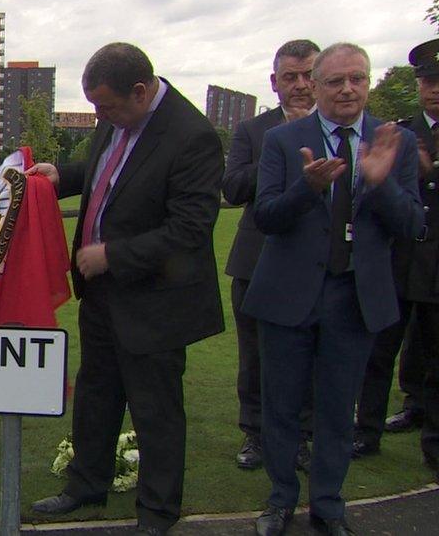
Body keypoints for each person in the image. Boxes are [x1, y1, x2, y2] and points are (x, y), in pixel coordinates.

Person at [28, 43, 225, 535]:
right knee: (96, 393)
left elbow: (190, 228)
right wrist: (62, 176)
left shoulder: (192, 136)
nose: (101, 116)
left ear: (140, 91)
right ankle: (85, 485)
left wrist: (112, 254)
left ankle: (158, 511)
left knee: (155, 408)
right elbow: (107, 178)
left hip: (154, 302)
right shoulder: (116, 119)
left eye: (107, 106)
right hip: (101, 296)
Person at [242, 43, 423, 536]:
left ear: (368, 84)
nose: (348, 89)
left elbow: (412, 225)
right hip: (289, 297)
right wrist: (308, 188)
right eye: (337, 80)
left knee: (339, 410)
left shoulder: (395, 141)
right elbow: (266, 217)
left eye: (358, 79)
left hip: (355, 299)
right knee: (279, 407)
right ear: (316, 86)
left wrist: (380, 183)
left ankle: (328, 505)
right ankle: (280, 501)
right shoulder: (284, 140)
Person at [222, 40, 320, 472]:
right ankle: (255, 434)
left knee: (310, 354)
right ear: (274, 83)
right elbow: (233, 188)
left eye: (307, 76)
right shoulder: (253, 131)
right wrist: (283, 146)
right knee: (255, 356)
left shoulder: (338, 130)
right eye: (290, 77)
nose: (299, 85)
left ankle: (300, 437)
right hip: (256, 259)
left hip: (315, 261)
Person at [354, 39, 439, 475]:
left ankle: (434, 443)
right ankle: (366, 430)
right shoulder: (402, 134)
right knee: (379, 351)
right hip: (401, 263)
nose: (434, 89)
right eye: (427, 80)